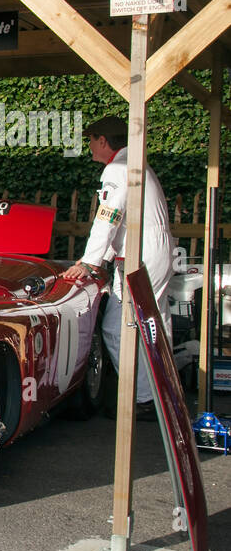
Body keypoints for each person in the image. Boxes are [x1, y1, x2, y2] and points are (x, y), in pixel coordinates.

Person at [62, 115, 174, 419]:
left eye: (90, 140)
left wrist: (90, 262)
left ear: (102, 141)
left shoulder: (116, 168)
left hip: (143, 253)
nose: (88, 147)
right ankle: (162, 394)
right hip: (154, 249)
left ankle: (142, 399)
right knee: (155, 324)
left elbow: (108, 217)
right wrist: (101, 260)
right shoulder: (134, 163)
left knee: (117, 327)